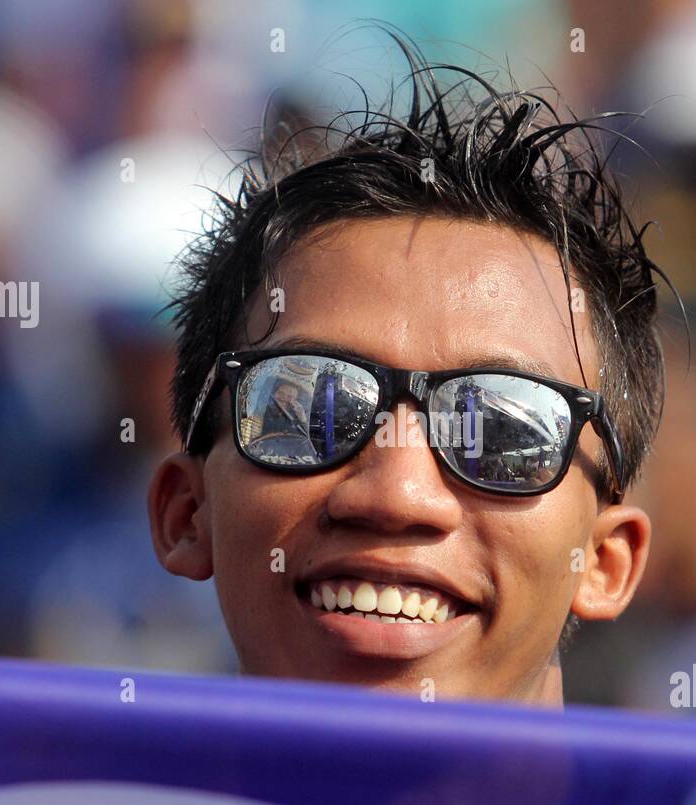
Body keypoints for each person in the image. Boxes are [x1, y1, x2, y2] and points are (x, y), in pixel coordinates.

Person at [147, 34, 666, 705]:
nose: (396, 497)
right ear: (186, 513)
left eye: (503, 433)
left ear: (605, 561)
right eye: (308, 410)